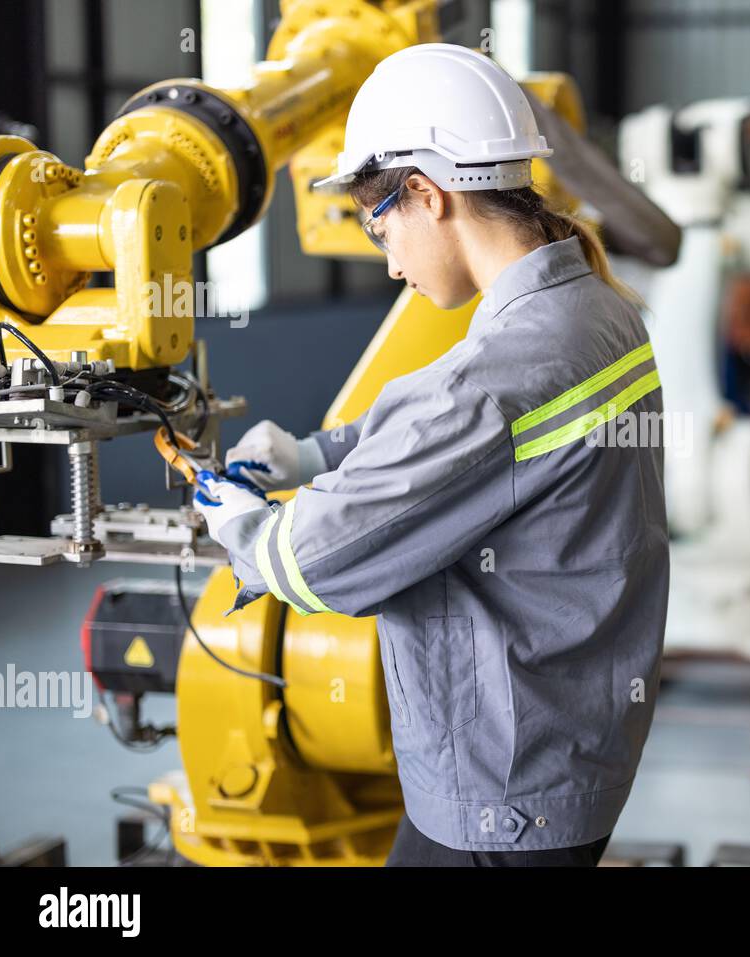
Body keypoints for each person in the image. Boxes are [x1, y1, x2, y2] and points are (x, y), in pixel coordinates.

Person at [192, 43, 669, 867]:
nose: (387, 259)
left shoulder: (504, 370)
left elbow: (314, 562)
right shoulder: (595, 308)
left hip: (502, 788)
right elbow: (469, 448)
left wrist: (240, 525)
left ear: (426, 192)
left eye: (381, 224)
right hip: (566, 751)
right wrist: (315, 453)